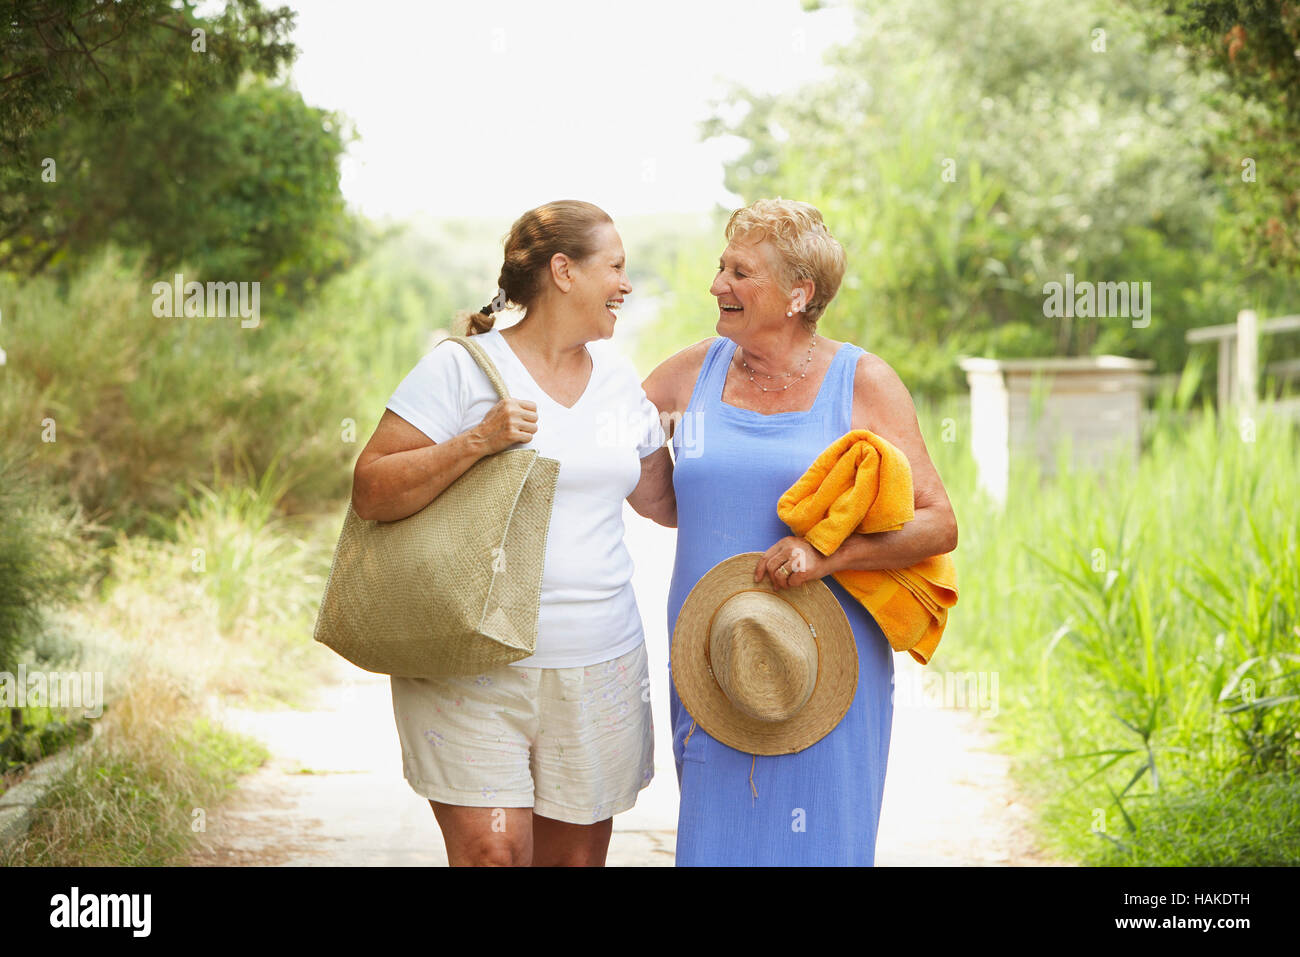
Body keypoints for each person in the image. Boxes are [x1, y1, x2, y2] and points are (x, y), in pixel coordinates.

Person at [351, 200, 676, 866]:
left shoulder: (618, 381)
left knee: (574, 862)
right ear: (564, 271)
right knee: (492, 851)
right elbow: (371, 489)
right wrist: (477, 440)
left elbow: (664, 502)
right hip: (471, 661)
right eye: (614, 266)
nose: (626, 283)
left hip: (599, 661)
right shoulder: (461, 370)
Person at [641, 197, 958, 865]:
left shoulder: (862, 381)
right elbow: (641, 481)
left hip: (824, 662)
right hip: (717, 655)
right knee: (714, 845)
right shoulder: (689, 374)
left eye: (741, 272)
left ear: (798, 293)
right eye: (721, 267)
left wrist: (827, 552)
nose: (718, 285)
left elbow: (939, 522)